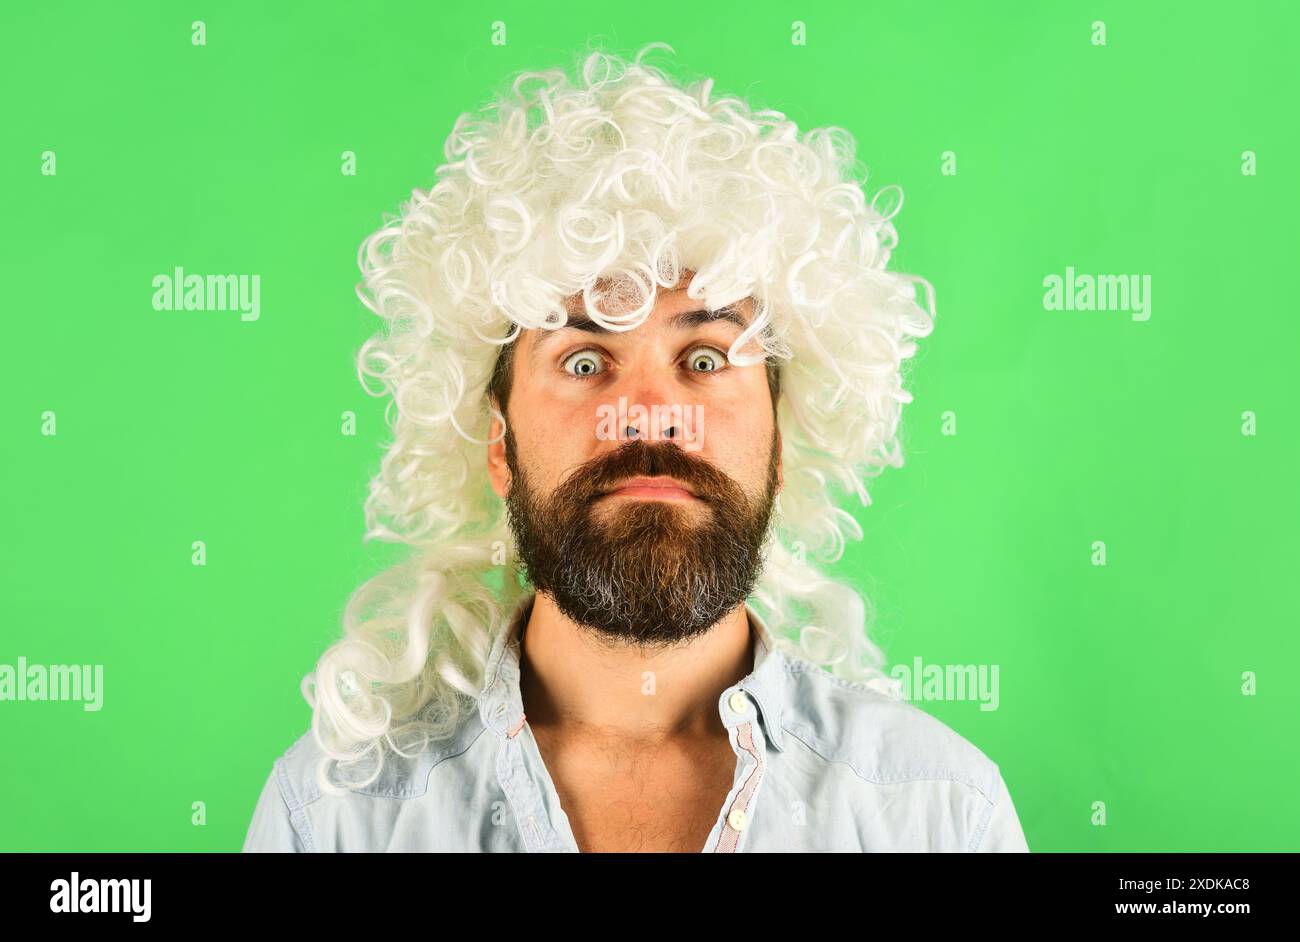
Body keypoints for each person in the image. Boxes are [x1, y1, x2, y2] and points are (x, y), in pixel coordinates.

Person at [242, 42, 1029, 853]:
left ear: (781, 441)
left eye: (705, 360)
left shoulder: (940, 812)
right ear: (499, 443)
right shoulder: (335, 815)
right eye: (585, 362)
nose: (650, 415)